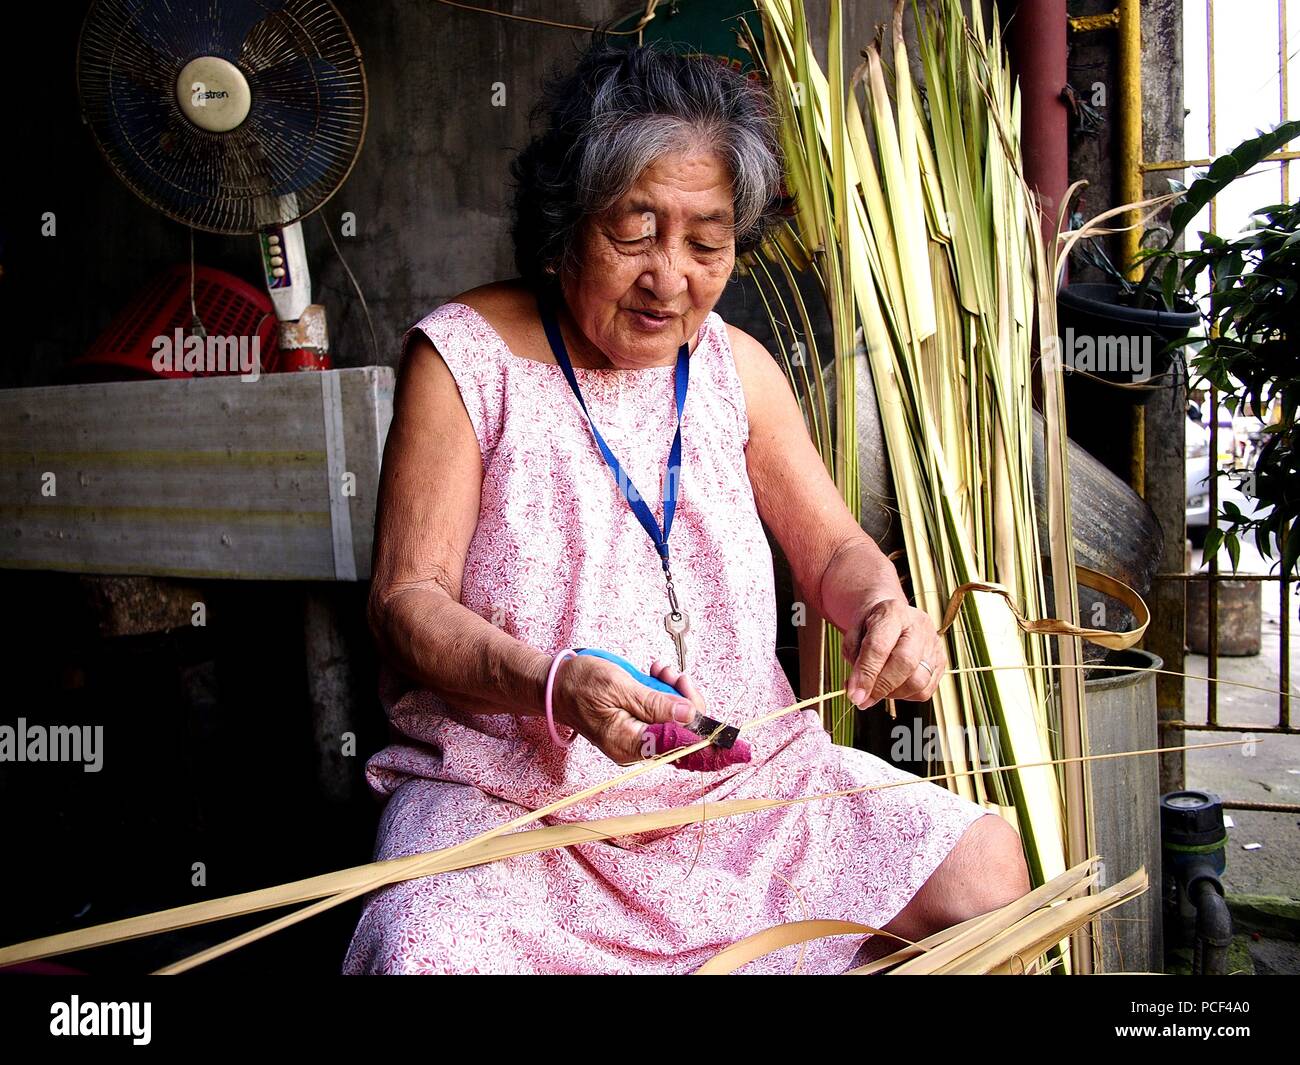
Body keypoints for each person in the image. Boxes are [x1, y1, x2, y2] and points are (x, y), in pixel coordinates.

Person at [343, 39, 1028, 975]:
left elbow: (833, 552)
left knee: (987, 874)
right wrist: (556, 685)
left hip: (745, 788)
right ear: (566, 224)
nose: (672, 276)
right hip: (519, 807)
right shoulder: (465, 360)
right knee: (430, 947)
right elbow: (404, 605)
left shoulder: (737, 370)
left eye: (707, 242)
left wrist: (882, 608)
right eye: (635, 233)